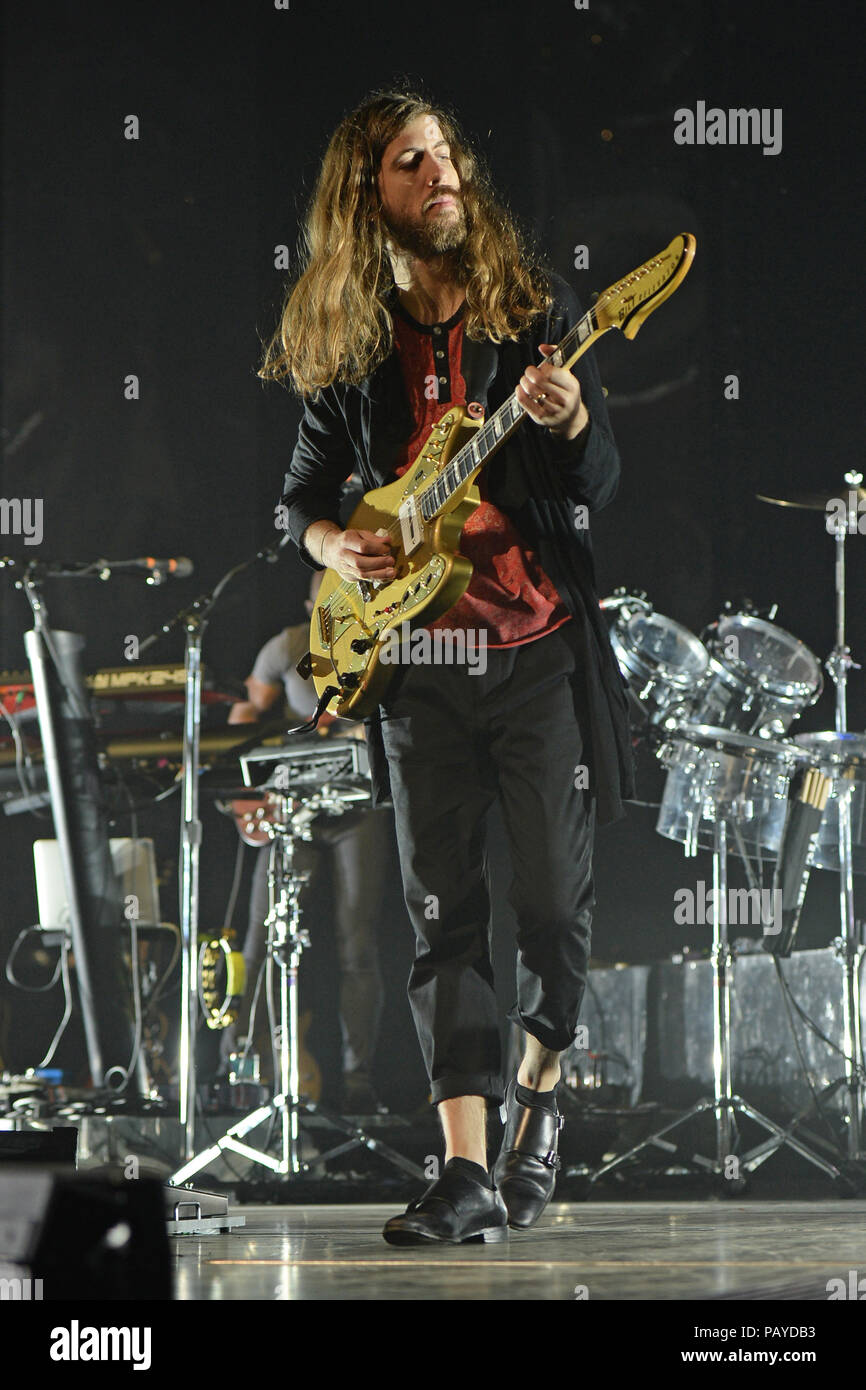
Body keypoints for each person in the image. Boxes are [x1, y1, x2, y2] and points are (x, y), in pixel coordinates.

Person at [263, 88, 633, 1244]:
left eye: (445, 156)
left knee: (550, 907)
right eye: (410, 161)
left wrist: (567, 421)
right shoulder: (353, 345)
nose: (442, 176)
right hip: (415, 663)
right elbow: (299, 501)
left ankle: (538, 1112)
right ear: (365, 196)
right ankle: (465, 1170)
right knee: (444, 916)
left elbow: (597, 483)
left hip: (530, 654)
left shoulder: (532, 313)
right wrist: (335, 544)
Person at [222, 568, 391, 1115]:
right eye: (326, 594)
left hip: (355, 809)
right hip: (291, 810)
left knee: (356, 945)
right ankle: (240, 1067)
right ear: (309, 600)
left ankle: (359, 1077)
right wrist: (244, 800)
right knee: (259, 936)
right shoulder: (285, 646)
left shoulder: (381, 643)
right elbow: (243, 720)